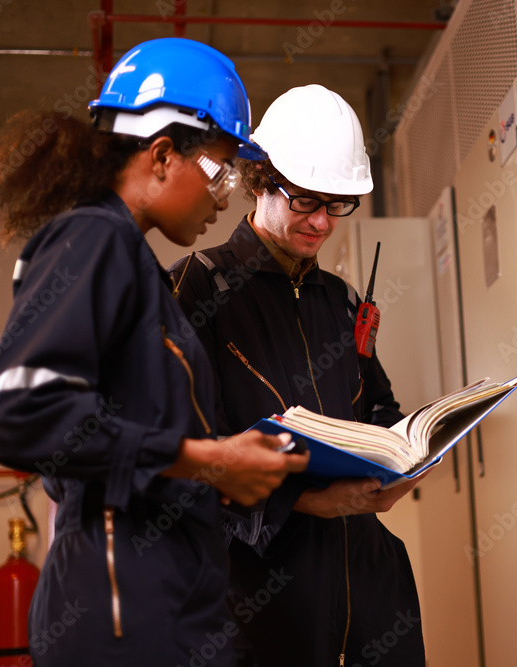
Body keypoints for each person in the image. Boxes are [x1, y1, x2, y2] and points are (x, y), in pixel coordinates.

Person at [0, 38, 309, 666]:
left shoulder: (134, 267)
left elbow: (89, 453)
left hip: (167, 617)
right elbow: (18, 412)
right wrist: (208, 460)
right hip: (120, 624)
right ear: (161, 155)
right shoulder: (92, 238)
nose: (224, 198)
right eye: (221, 171)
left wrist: (221, 473)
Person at [170, 84, 427, 666]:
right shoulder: (198, 287)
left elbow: (378, 407)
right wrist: (306, 503)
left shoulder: (341, 299)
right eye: (306, 200)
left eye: (337, 205)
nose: (321, 223)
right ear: (261, 180)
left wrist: (405, 457)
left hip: (368, 581)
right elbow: (185, 455)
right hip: (261, 590)